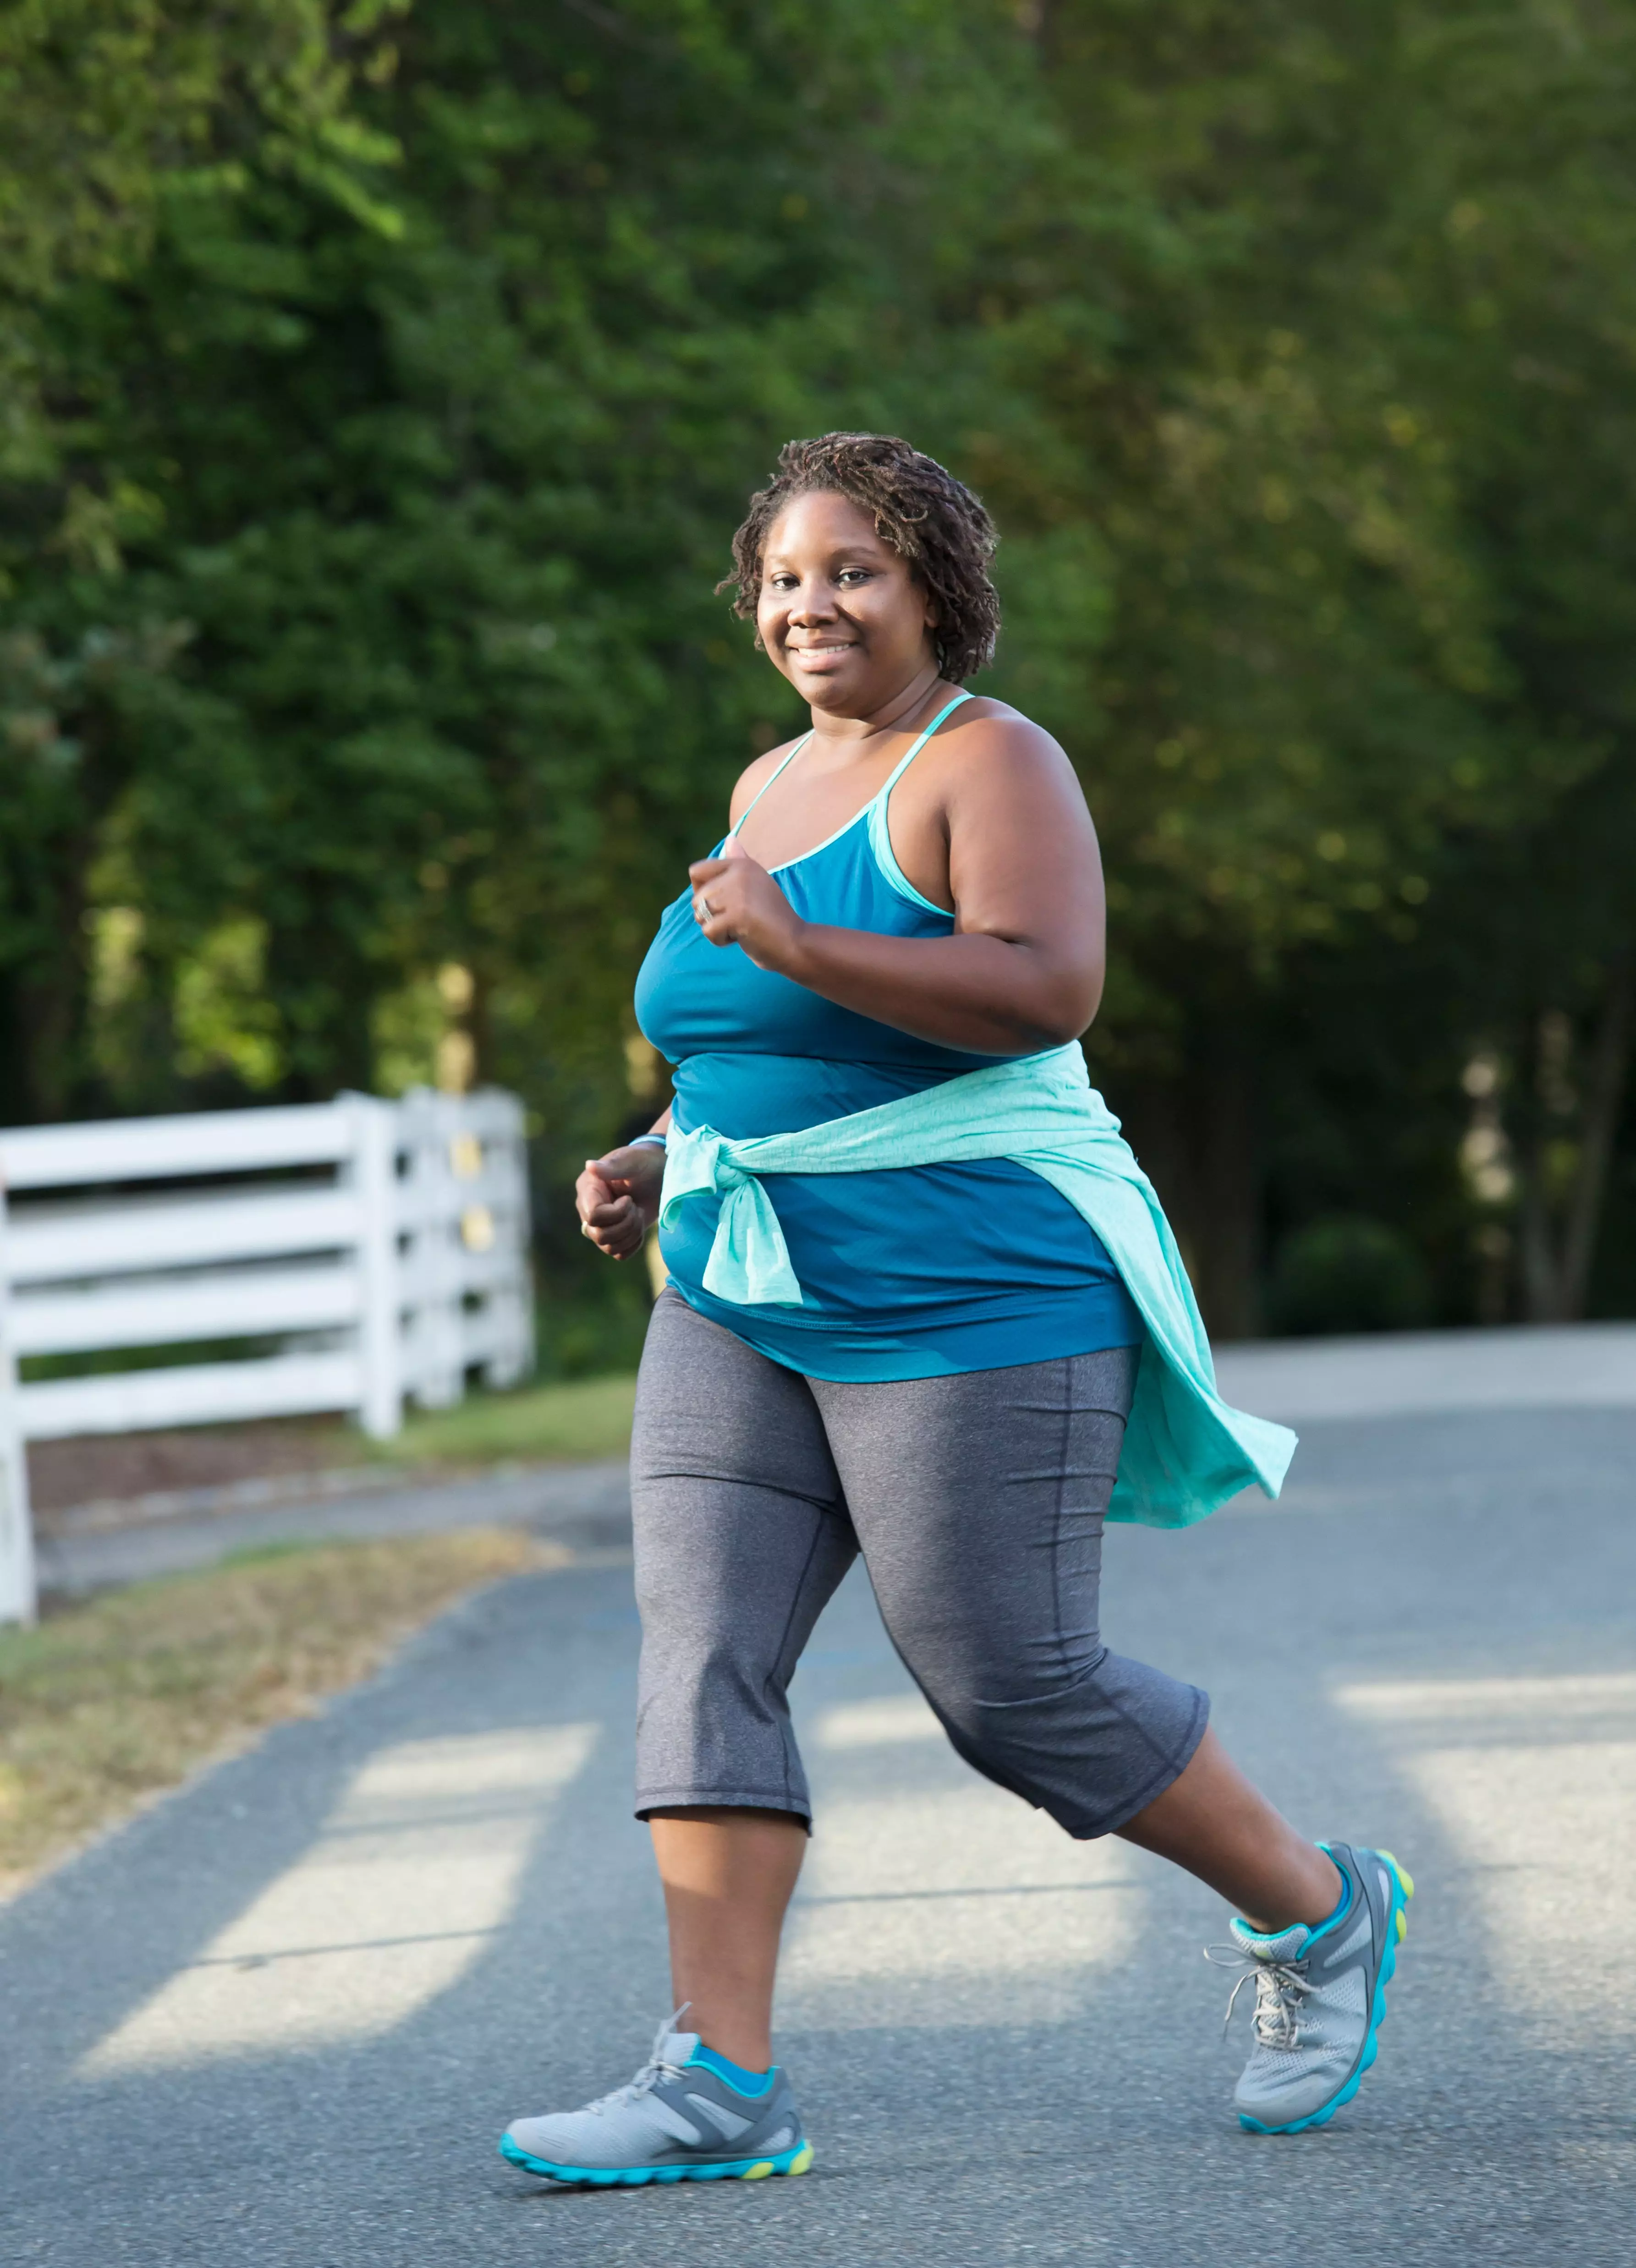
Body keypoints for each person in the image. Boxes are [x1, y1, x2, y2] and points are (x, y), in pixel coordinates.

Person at [499, 433, 1411, 2190]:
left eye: (852, 570)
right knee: (700, 1649)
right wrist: (656, 1147)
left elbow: (1042, 984)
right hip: (745, 1282)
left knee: (1012, 1685)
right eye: (782, 575)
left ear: (932, 586)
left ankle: (1319, 1914)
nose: (809, 603)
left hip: (977, 1282)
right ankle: (716, 2080)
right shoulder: (767, 783)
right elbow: (757, 1051)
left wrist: (799, 941)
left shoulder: (991, 761)